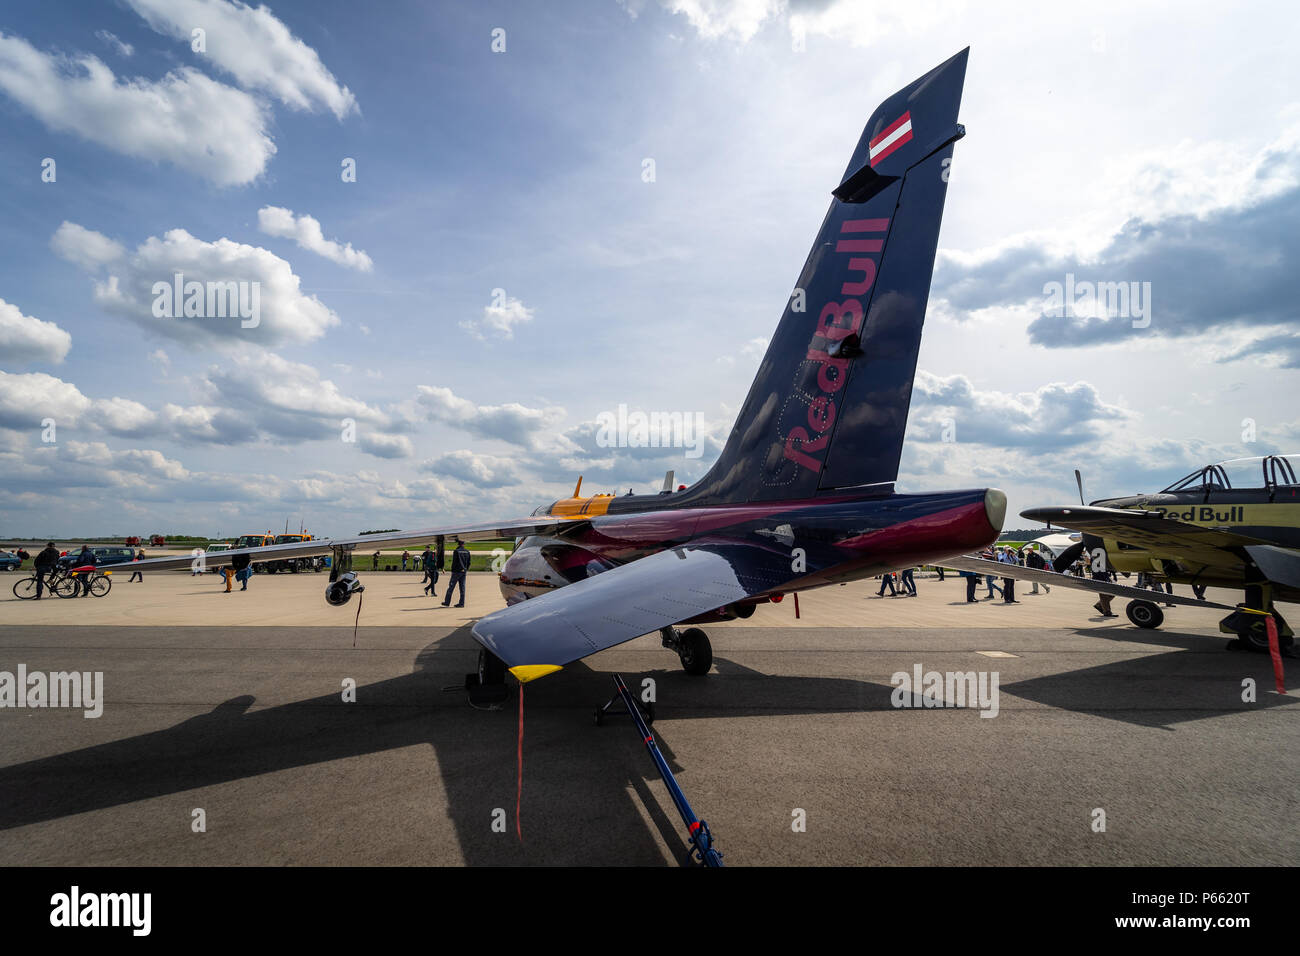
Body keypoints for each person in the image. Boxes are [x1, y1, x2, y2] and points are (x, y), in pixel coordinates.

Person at [442, 538, 471, 608]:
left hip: (456, 572)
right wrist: (465, 569)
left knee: (451, 587)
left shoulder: (456, 551)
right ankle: (461, 603)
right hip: (463, 572)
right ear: (463, 544)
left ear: (458, 544)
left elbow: (454, 562)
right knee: (462, 588)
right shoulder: (467, 552)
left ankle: (447, 602)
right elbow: (469, 562)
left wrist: (453, 570)